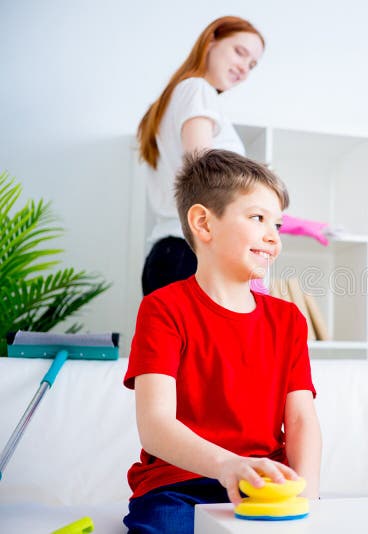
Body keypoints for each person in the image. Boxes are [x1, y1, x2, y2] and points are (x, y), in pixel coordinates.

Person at [123, 149, 322, 533]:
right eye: (257, 218)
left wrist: (308, 499)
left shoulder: (288, 321)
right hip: (177, 486)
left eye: (277, 225)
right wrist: (226, 465)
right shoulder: (162, 309)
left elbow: (300, 419)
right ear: (204, 223)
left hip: (263, 485)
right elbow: (155, 424)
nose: (272, 236)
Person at [137, 15, 328, 296]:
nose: (244, 69)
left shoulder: (178, 96)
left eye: (252, 65)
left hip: (172, 254)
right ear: (211, 41)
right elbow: (205, 175)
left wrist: (269, 220)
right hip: (191, 258)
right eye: (240, 52)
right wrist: (270, 220)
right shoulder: (198, 89)